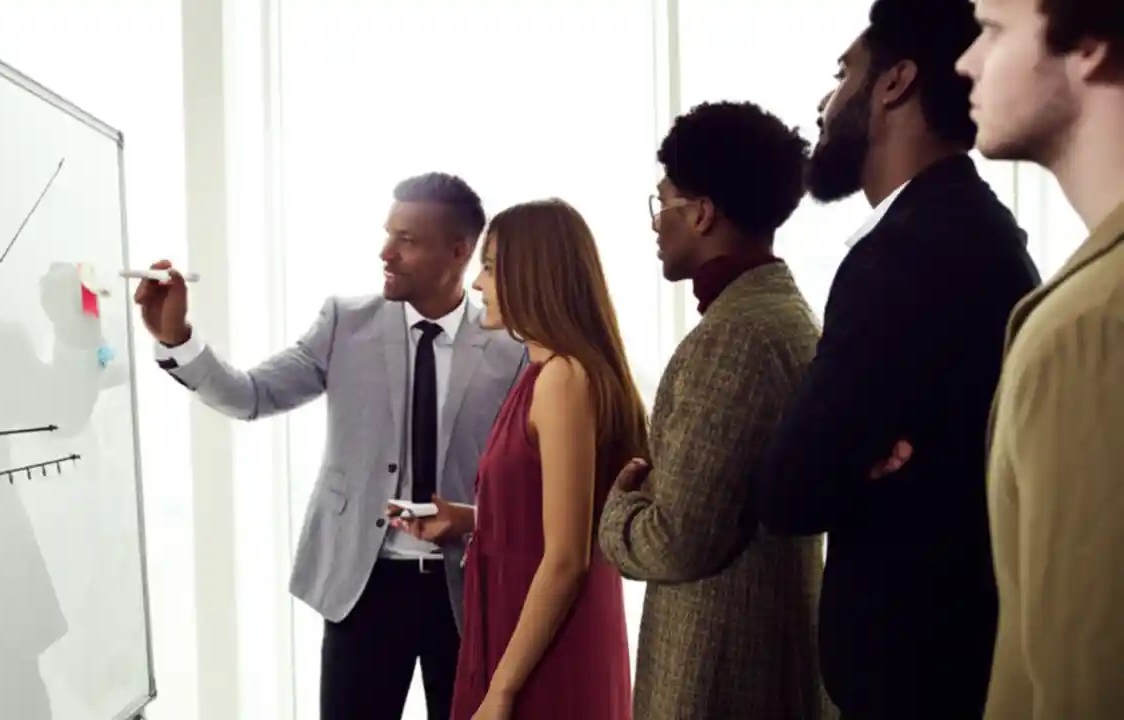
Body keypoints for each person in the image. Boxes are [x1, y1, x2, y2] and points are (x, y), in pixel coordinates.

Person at [134, 173, 527, 720]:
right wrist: (179, 339)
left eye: (407, 240)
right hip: (362, 585)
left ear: (459, 251)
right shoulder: (346, 322)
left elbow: (528, 477)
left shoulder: (512, 346)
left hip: (468, 586)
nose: (385, 252)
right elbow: (251, 395)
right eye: (388, 234)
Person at [751, 0, 1041, 717]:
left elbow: (791, 488)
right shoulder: (967, 226)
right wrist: (859, 454)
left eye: (843, 72)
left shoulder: (911, 250)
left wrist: (842, 457)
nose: (825, 101)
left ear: (894, 82)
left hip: (922, 676)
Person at [596, 101, 832, 720]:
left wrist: (618, 508)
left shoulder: (738, 337)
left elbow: (678, 542)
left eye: (662, 203)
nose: (654, 225)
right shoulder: (780, 315)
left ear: (700, 213)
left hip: (717, 674)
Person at [391, 199, 643, 719]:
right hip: (521, 627)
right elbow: (554, 518)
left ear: (533, 274)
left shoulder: (562, 381)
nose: (478, 284)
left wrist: (502, 691)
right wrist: (470, 521)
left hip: (547, 646)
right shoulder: (541, 373)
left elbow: (568, 558)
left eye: (488, 266)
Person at [956, 2, 1124, 717]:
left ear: (1089, 42)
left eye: (992, 29)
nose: (966, 60)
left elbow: (1086, 690)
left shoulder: (1090, 326)